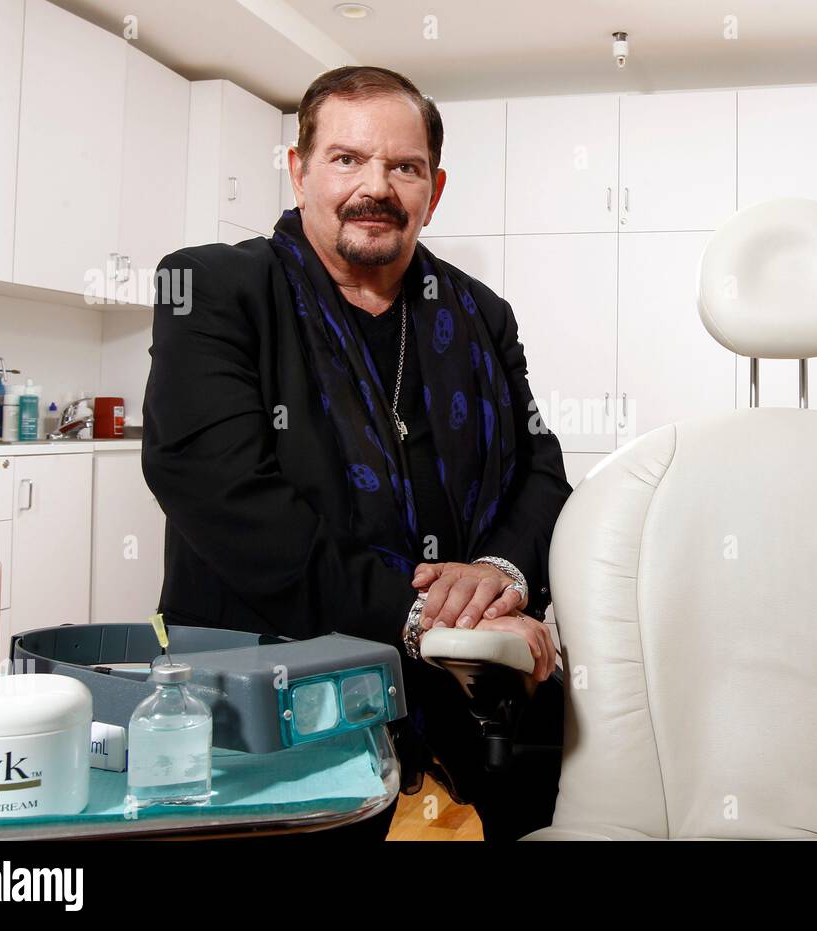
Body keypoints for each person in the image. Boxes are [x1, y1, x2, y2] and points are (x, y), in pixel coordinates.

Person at [141, 65, 571, 840]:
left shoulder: (480, 312)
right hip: (268, 720)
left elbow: (542, 466)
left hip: (463, 712)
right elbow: (224, 495)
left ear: (433, 189)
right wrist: (424, 621)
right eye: (346, 159)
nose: (376, 187)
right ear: (299, 169)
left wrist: (497, 573)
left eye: (403, 167)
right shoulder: (211, 287)